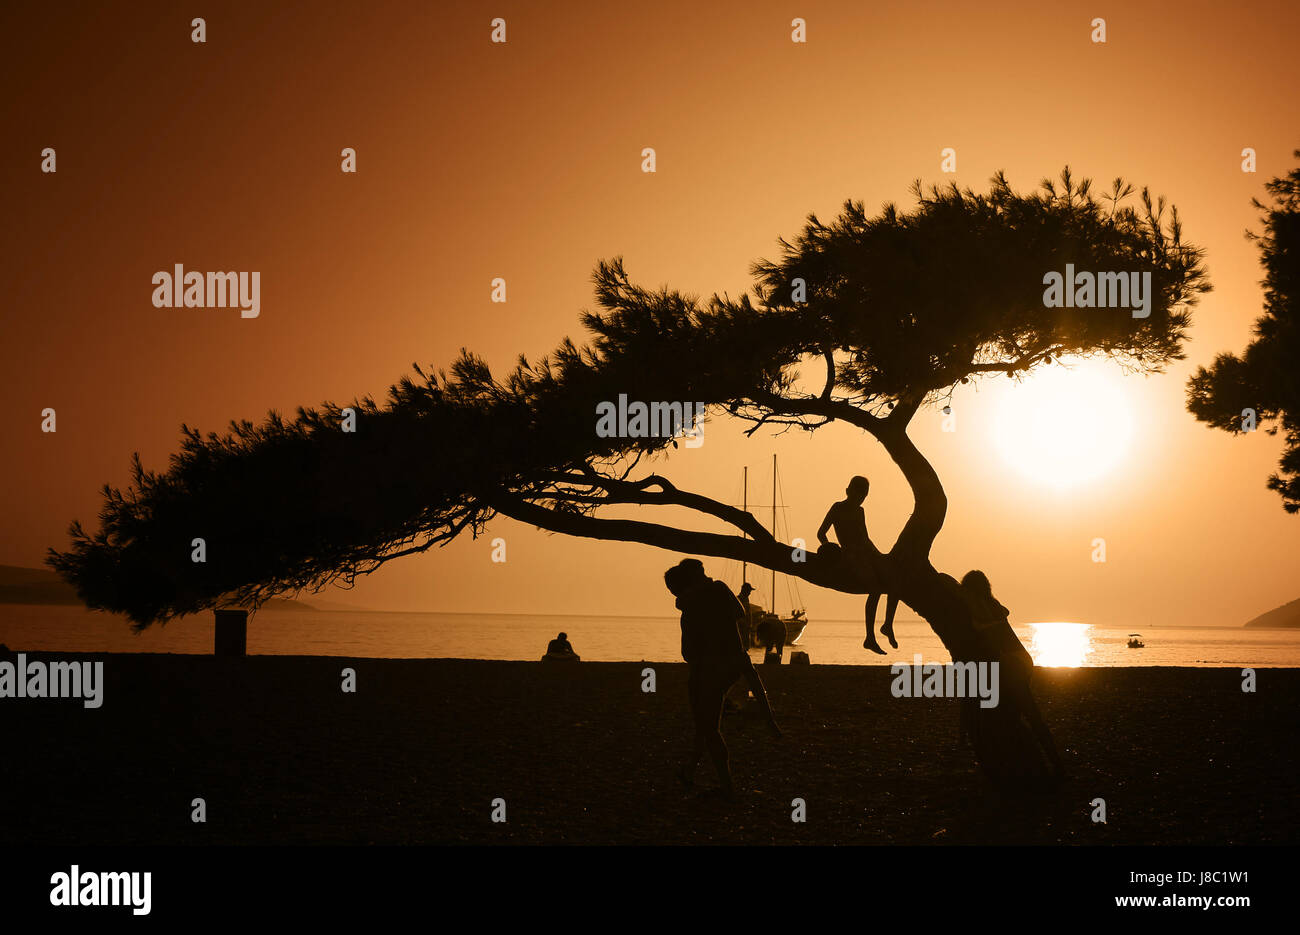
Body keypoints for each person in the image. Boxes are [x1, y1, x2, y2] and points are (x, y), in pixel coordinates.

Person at [664, 559, 780, 798]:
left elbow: (688, 652)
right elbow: (738, 612)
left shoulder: (692, 605)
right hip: (733, 659)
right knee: (705, 725)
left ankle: (726, 786)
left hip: (708, 668)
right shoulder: (716, 591)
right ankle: (689, 771)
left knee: (708, 726)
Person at [958, 570, 1065, 780]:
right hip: (1020, 660)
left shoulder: (980, 606)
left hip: (1012, 662)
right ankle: (1045, 763)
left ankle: (1054, 765)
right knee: (1021, 714)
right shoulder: (993, 604)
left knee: (1029, 713)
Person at [816, 475, 899, 654]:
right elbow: (821, 533)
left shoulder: (860, 511)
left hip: (866, 552)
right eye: (858, 495)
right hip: (850, 556)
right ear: (849, 492)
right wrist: (830, 549)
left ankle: (887, 624)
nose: (860, 499)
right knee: (875, 590)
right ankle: (869, 637)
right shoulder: (837, 508)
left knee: (894, 580)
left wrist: (878, 555)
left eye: (863, 497)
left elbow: (865, 538)